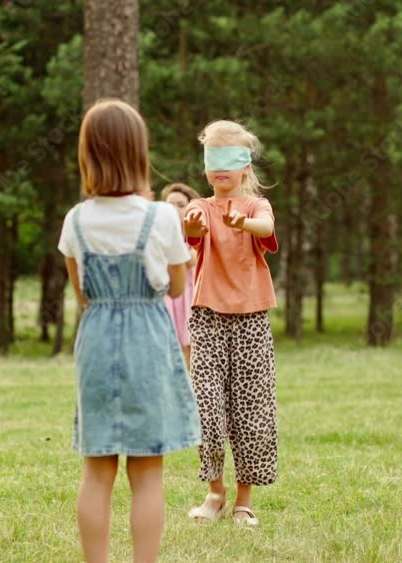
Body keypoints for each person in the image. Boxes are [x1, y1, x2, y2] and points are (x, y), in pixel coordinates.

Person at [58, 99, 201, 563]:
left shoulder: (76, 220)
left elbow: (82, 292)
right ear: (139, 153)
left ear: (88, 155)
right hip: (148, 340)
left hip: (97, 341)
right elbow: (176, 286)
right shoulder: (161, 216)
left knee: (97, 471)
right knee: (147, 471)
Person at [183, 120, 279, 526]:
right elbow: (189, 230)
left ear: (245, 167)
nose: (221, 167)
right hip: (207, 316)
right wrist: (191, 226)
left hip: (251, 318)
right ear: (206, 167)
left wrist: (243, 223)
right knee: (207, 409)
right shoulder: (201, 207)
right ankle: (215, 492)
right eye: (213, 158)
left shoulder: (257, 206)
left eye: (230, 158)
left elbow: (267, 228)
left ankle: (244, 500)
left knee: (251, 410)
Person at [161, 183, 201, 369]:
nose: (174, 209)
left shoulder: (197, 235)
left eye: (180, 205)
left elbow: (191, 260)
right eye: (170, 204)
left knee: (190, 349)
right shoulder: (158, 234)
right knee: (168, 348)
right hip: (167, 297)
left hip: (189, 297)